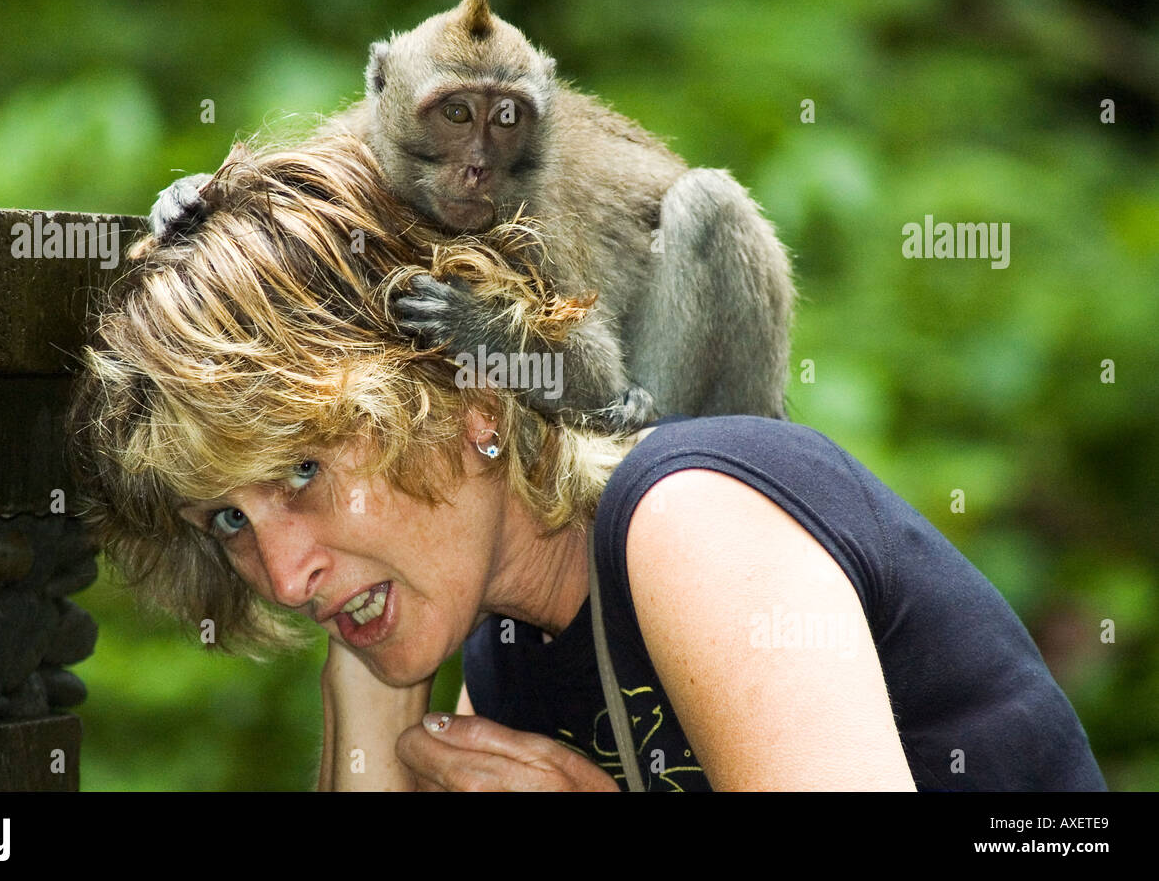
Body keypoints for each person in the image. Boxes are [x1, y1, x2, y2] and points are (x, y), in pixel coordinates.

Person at [67, 132, 1107, 792]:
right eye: (231, 523)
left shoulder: (692, 516)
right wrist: (372, 653)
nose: (284, 576)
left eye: (300, 471)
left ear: (476, 404)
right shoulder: (513, 652)